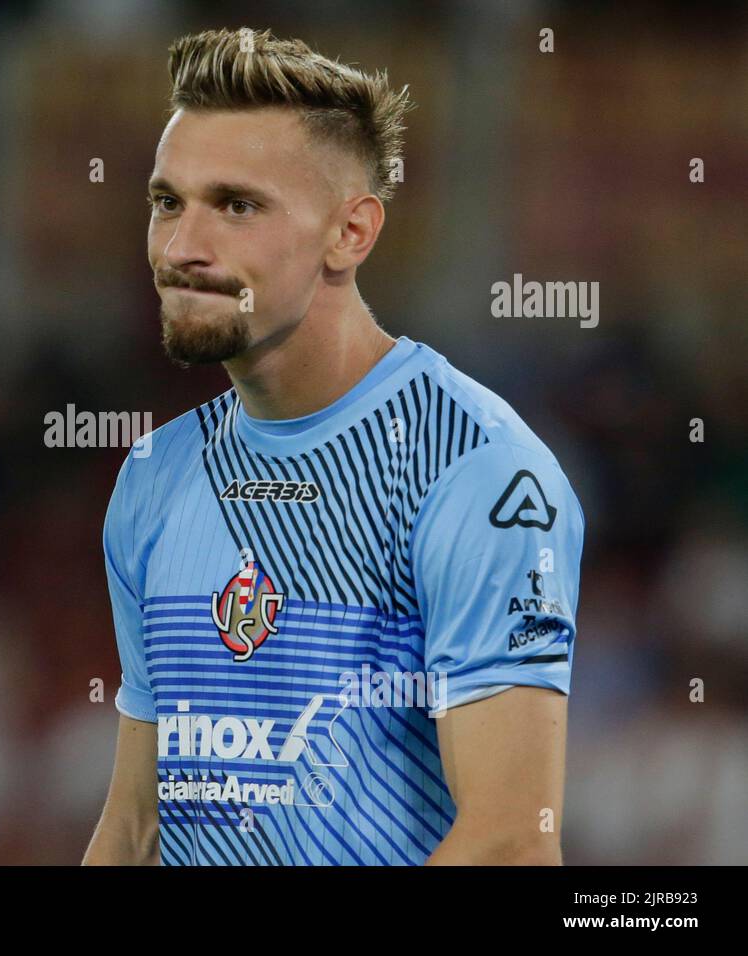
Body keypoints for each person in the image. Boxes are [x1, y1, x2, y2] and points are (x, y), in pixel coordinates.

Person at [83, 27, 584, 866]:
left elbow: (510, 842)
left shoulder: (476, 469)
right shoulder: (155, 474)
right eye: (168, 202)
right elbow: (137, 826)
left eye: (237, 206)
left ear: (350, 232)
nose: (180, 249)